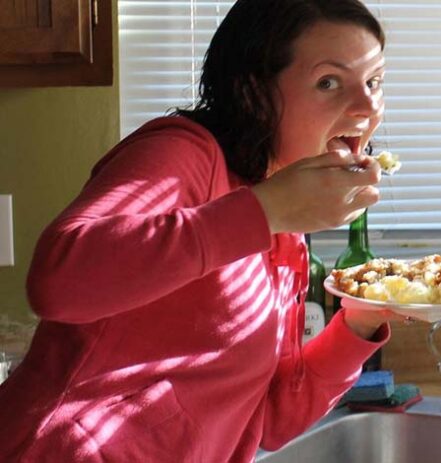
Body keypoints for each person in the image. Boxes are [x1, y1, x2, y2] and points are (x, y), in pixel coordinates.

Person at [0, 0, 402, 461]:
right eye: (328, 82)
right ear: (254, 94)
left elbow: (272, 420)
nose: (367, 107)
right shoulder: (184, 154)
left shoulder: (281, 221)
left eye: (373, 82)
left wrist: (360, 322)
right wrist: (265, 212)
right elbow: (58, 283)